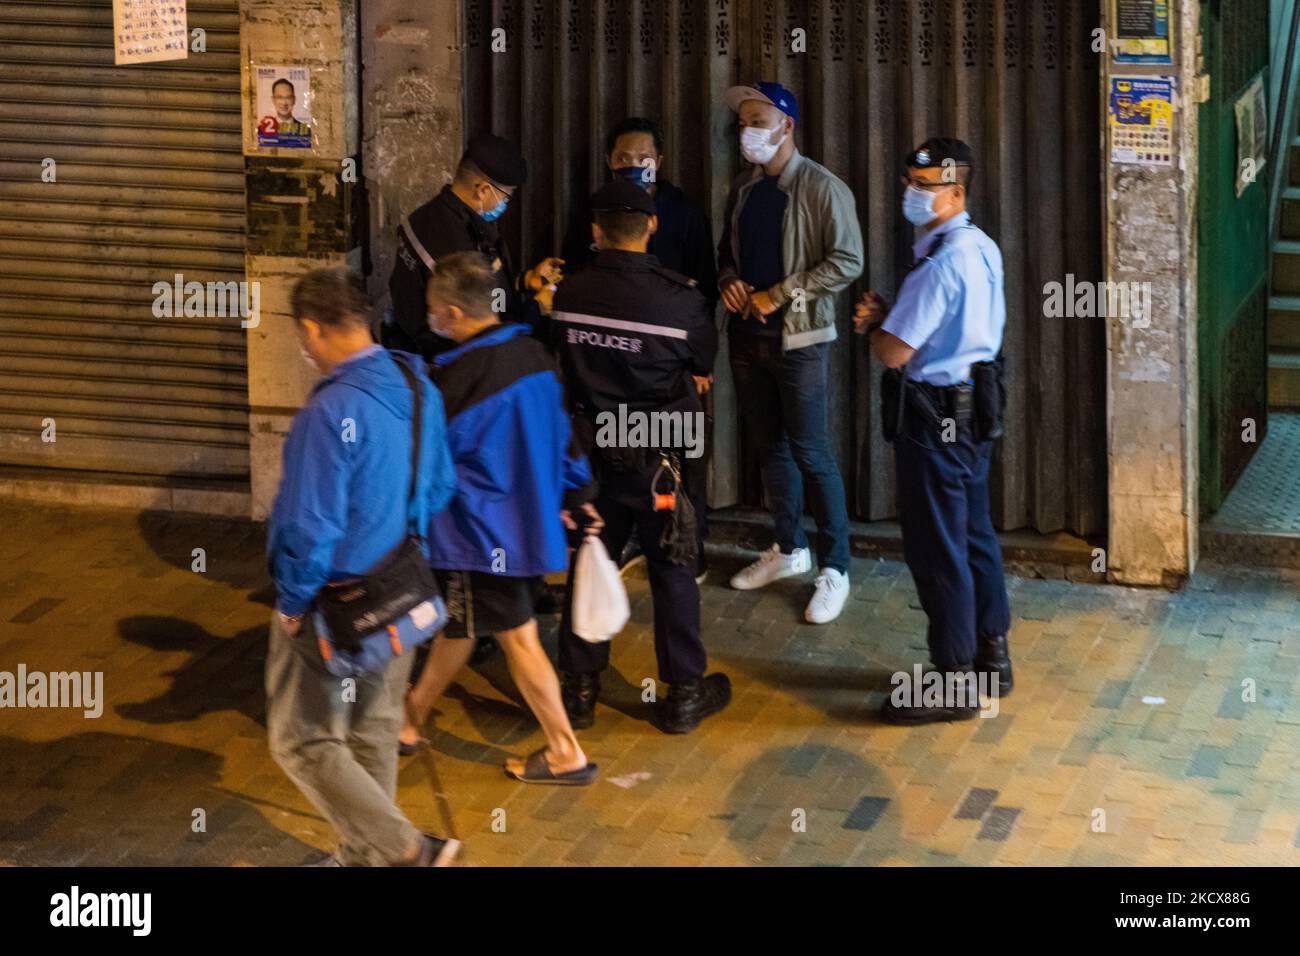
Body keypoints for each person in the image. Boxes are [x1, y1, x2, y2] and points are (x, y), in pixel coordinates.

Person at [265, 267, 460, 866]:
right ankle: (368, 860)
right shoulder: (415, 381)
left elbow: (309, 526)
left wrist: (293, 602)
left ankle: (406, 848)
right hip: (402, 589)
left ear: (311, 330)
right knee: (373, 729)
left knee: (303, 740)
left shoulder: (328, 414)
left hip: (337, 602)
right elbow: (439, 484)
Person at [399, 251, 602, 785]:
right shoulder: (535, 355)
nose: (430, 320)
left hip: (478, 535)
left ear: (453, 313)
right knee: (463, 623)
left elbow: (425, 468)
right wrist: (581, 495)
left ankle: (564, 751)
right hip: (527, 530)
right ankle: (409, 719)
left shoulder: (452, 382)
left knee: (517, 637)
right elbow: (564, 437)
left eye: (432, 311)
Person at [552, 179, 730, 735]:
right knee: (672, 563)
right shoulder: (682, 300)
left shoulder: (570, 293)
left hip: (589, 447)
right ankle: (682, 696)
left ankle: (579, 691)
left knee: (590, 558)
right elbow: (702, 364)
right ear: (652, 227)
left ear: (596, 232)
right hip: (657, 447)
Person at [854, 137, 1013, 725]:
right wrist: (892, 315)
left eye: (926, 188)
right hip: (974, 409)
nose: (913, 195)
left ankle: (953, 681)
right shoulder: (979, 247)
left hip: (934, 417)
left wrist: (875, 331)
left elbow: (895, 353)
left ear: (957, 192)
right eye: (909, 183)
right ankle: (991, 657)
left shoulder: (939, 263)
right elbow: (951, 326)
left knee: (937, 546)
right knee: (973, 533)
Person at [718, 82, 863, 625]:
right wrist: (729, 281)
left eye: (759, 120)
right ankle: (788, 549)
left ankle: (837, 569)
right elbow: (724, 254)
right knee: (769, 448)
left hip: (799, 342)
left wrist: (777, 294)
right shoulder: (744, 190)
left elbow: (847, 262)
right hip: (746, 339)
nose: (748, 131)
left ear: (787, 126)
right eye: (743, 123)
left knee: (811, 453)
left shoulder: (824, 188)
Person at [382, 133, 563, 361]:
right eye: (506, 197)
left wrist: (523, 282)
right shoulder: (460, 247)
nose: (505, 204)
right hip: (447, 361)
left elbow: (489, 287)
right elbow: (484, 335)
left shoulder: (425, 217)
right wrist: (536, 309)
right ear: (483, 190)